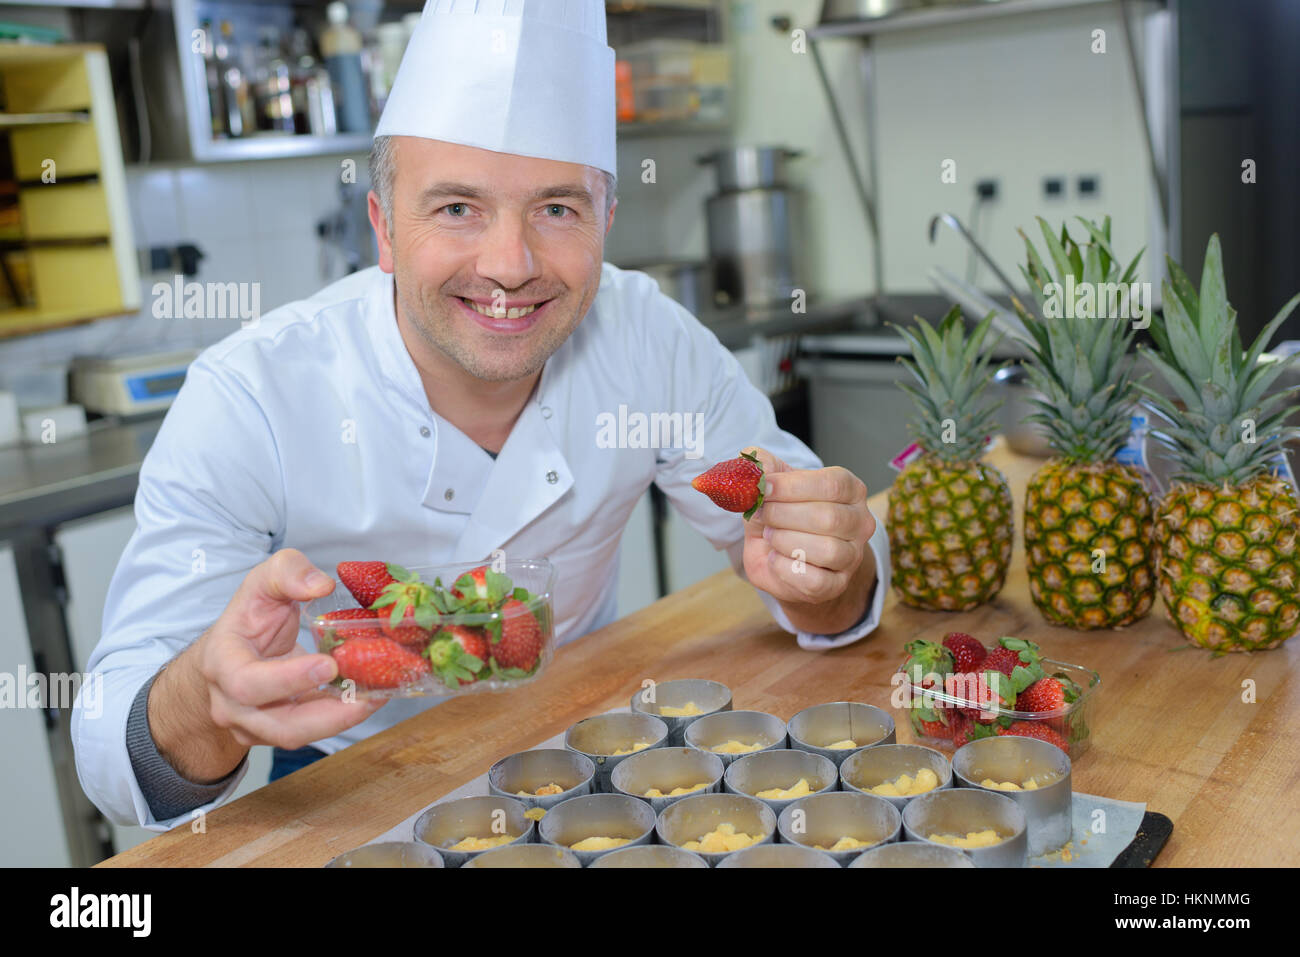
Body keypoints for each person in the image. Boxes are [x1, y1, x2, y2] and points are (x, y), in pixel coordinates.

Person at [72, 0, 889, 831]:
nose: (509, 266)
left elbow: (830, 580)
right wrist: (208, 699)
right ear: (384, 230)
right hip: (343, 775)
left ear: (606, 221)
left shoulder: (650, 343)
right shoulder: (252, 398)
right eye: (457, 208)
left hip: (592, 751)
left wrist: (825, 571)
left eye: (557, 209)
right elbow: (114, 751)